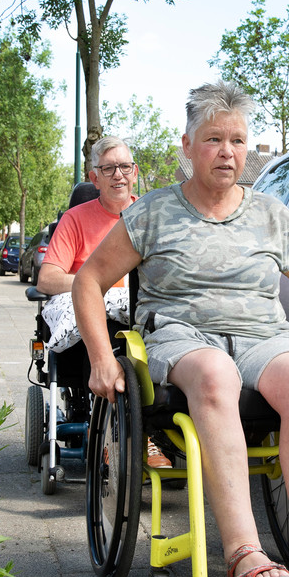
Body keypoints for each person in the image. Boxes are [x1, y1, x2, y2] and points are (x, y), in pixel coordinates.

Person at [72, 80, 289, 577]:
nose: (227, 152)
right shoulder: (152, 213)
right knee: (215, 373)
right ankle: (244, 554)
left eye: (237, 140)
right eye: (213, 139)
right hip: (182, 338)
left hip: (262, 338)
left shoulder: (272, 216)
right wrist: (99, 357)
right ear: (187, 146)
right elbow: (88, 281)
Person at [37, 135, 171, 469]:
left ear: (135, 172)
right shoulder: (75, 219)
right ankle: (114, 435)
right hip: (99, 313)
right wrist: (97, 285)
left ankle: (155, 432)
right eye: (108, 169)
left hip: (142, 310)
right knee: (100, 327)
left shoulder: (153, 217)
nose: (118, 175)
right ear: (94, 178)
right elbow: (47, 279)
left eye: (124, 167)